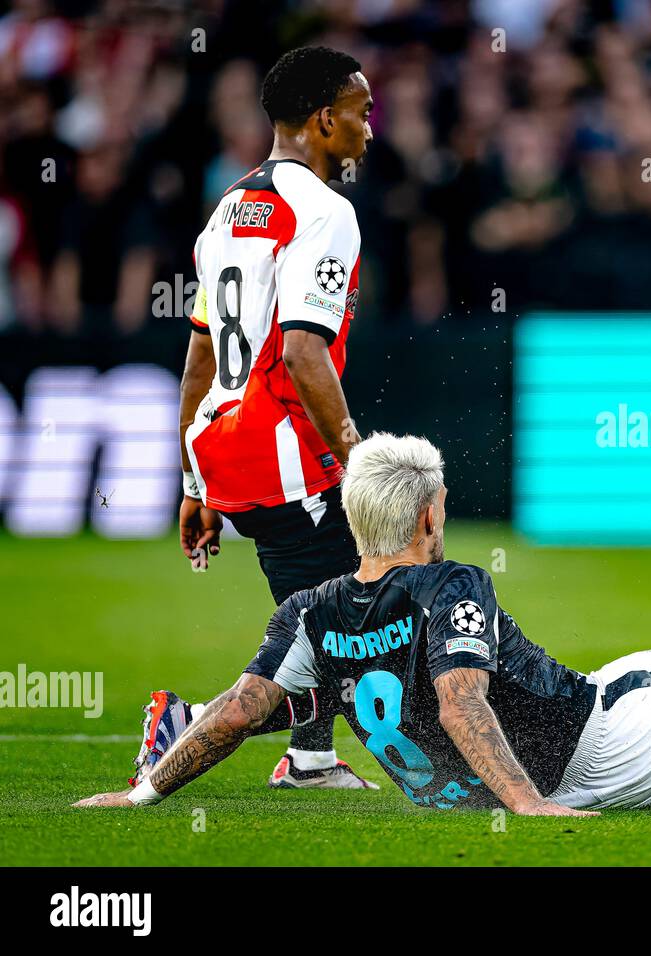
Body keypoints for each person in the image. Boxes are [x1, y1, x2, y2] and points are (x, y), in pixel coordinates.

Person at [77, 433, 651, 814]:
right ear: (428, 517)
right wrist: (529, 806)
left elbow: (237, 711)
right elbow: (464, 701)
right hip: (588, 747)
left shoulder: (307, 612)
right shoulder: (451, 582)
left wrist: (146, 789)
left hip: (467, 794)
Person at [167, 46, 380, 790]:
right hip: (283, 448)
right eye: (362, 112)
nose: (369, 128)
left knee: (315, 611)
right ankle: (183, 721)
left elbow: (200, 360)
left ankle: (312, 759)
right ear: (325, 119)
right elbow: (300, 352)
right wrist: (355, 459)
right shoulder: (325, 211)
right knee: (368, 631)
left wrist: (193, 482)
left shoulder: (227, 209)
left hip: (227, 451)